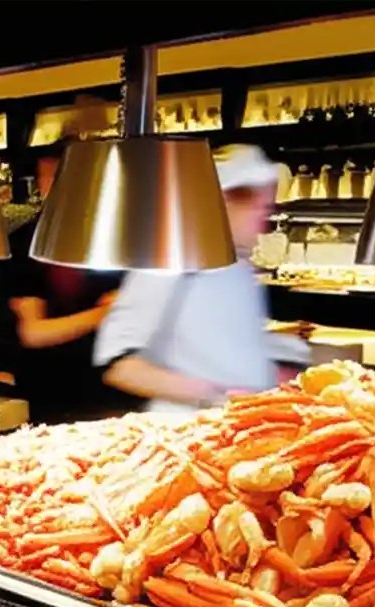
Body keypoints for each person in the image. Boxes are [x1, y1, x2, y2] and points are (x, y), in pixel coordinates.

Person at [93, 144, 283, 413]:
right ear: (223, 202)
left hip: (241, 430)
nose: (264, 219)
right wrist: (216, 397)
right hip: (185, 432)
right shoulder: (170, 260)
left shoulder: (240, 266)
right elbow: (119, 365)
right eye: (257, 207)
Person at [0, 147, 129, 421]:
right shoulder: (27, 245)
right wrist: (102, 315)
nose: (55, 187)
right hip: (52, 394)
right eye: (49, 178)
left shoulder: (115, 239)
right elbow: (34, 332)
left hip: (116, 391)